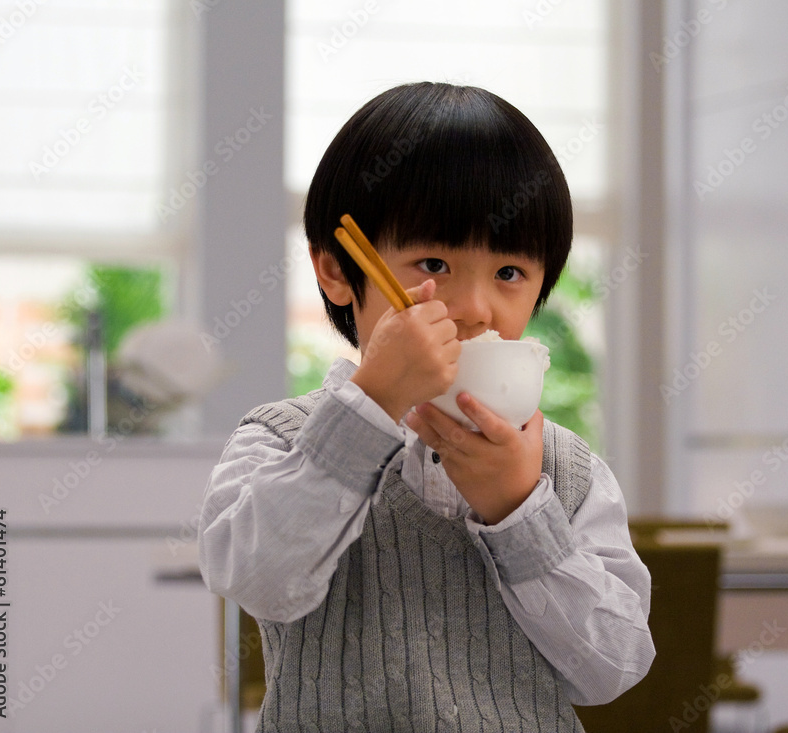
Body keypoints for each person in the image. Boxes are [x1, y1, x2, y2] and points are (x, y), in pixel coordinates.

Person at [198, 81, 655, 732]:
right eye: (435, 261)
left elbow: (612, 667)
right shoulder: (280, 436)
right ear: (336, 271)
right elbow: (257, 579)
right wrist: (372, 403)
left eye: (509, 273)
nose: (474, 306)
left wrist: (519, 510)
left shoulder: (563, 466)